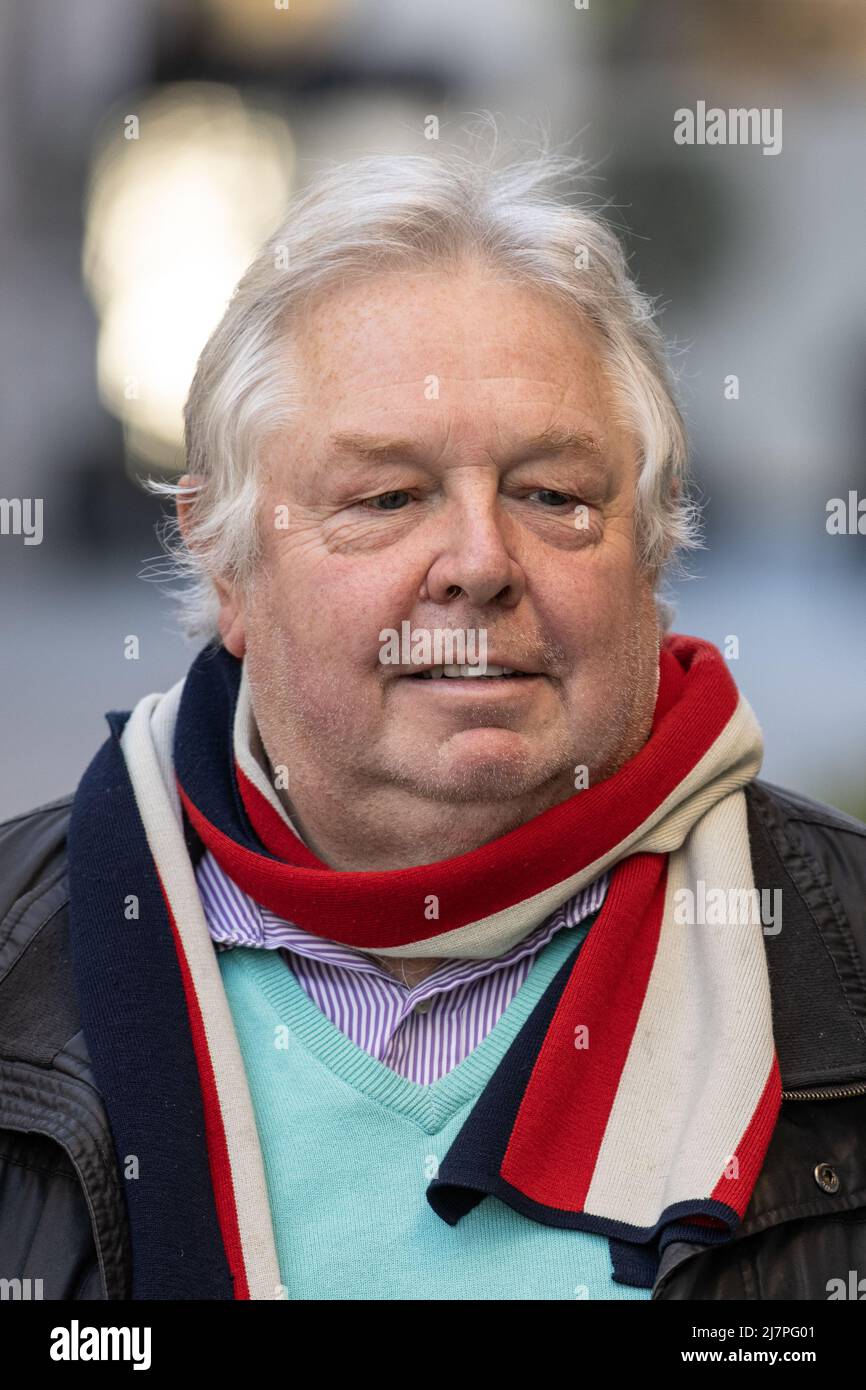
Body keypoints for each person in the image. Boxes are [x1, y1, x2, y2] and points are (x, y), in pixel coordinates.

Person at [2, 130, 865, 1302]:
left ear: (652, 545)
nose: (476, 561)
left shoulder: (840, 953)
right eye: (387, 496)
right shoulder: (25, 953)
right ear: (226, 560)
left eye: (551, 494)